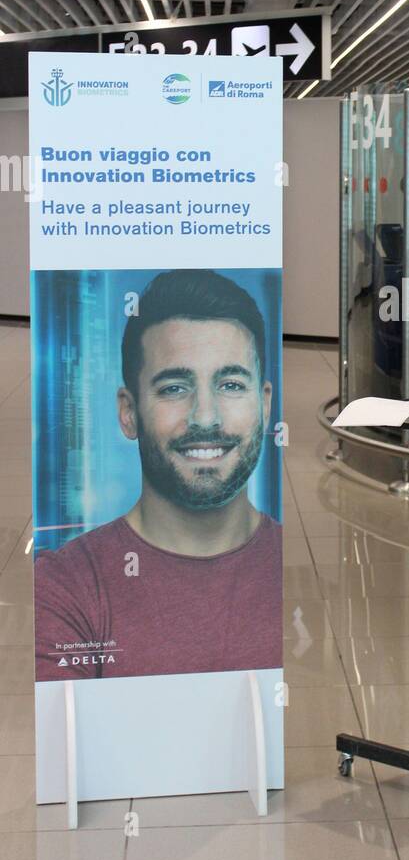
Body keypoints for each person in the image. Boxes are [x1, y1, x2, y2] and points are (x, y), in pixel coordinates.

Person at [34, 269, 281, 681]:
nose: (206, 416)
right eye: (174, 388)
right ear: (128, 412)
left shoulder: (293, 575)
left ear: (265, 404)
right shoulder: (65, 586)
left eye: (232, 384)